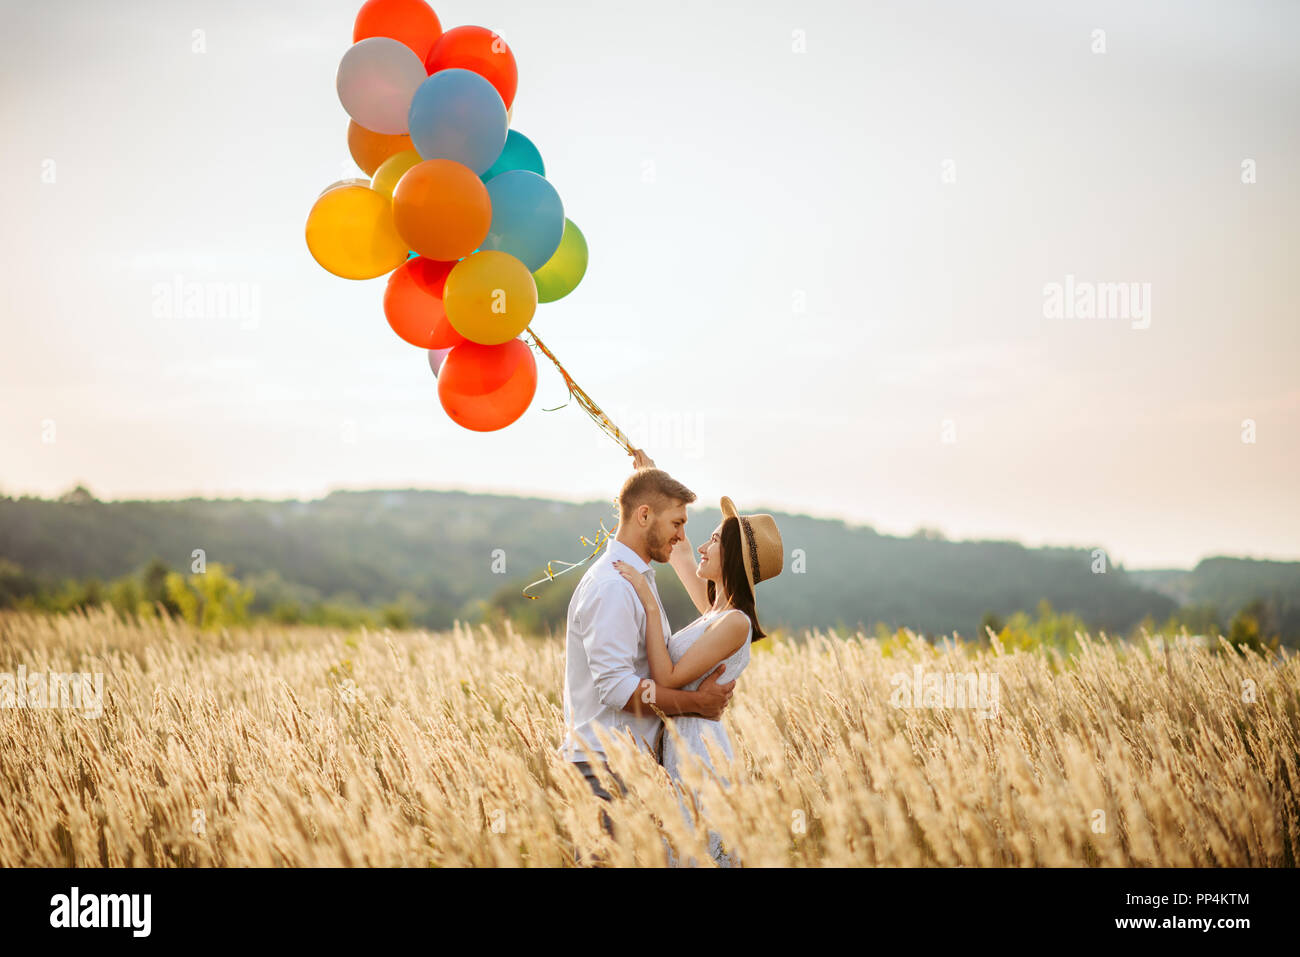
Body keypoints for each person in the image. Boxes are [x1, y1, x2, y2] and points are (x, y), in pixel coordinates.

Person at [613, 452, 784, 867]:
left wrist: (650, 604)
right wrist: (651, 478)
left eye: (714, 541)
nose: (703, 546)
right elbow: (682, 553)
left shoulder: (735, 624)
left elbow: (666, 677)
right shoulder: (713, 609)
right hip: (682, 745)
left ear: (732, 559)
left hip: (701, 754)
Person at [557, 454, 736, 850]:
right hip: (604, 767)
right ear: (643, 516)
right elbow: (618, 689)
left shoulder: (634, 579)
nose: (680, 536)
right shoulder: (615, 586)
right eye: (677, 523)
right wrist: (695, 704)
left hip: (624, 766)